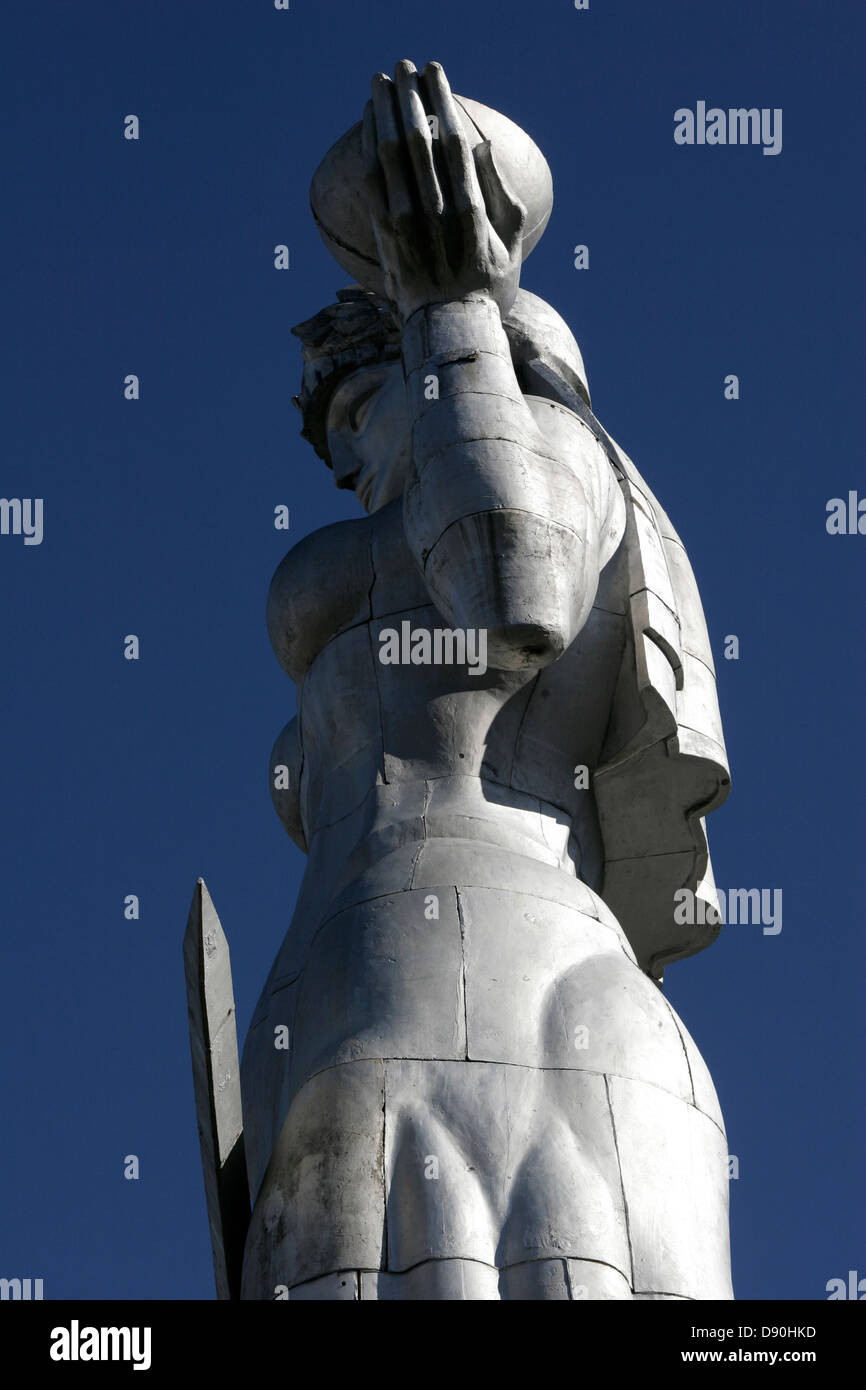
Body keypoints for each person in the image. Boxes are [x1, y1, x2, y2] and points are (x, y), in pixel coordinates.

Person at [240, 61, 732, 1301]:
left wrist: (449, 304)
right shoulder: (398, 497)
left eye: (350, 410)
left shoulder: (553, 450)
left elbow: (511, 586)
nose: (346, 454)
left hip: (512, 997)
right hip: (360, 996)